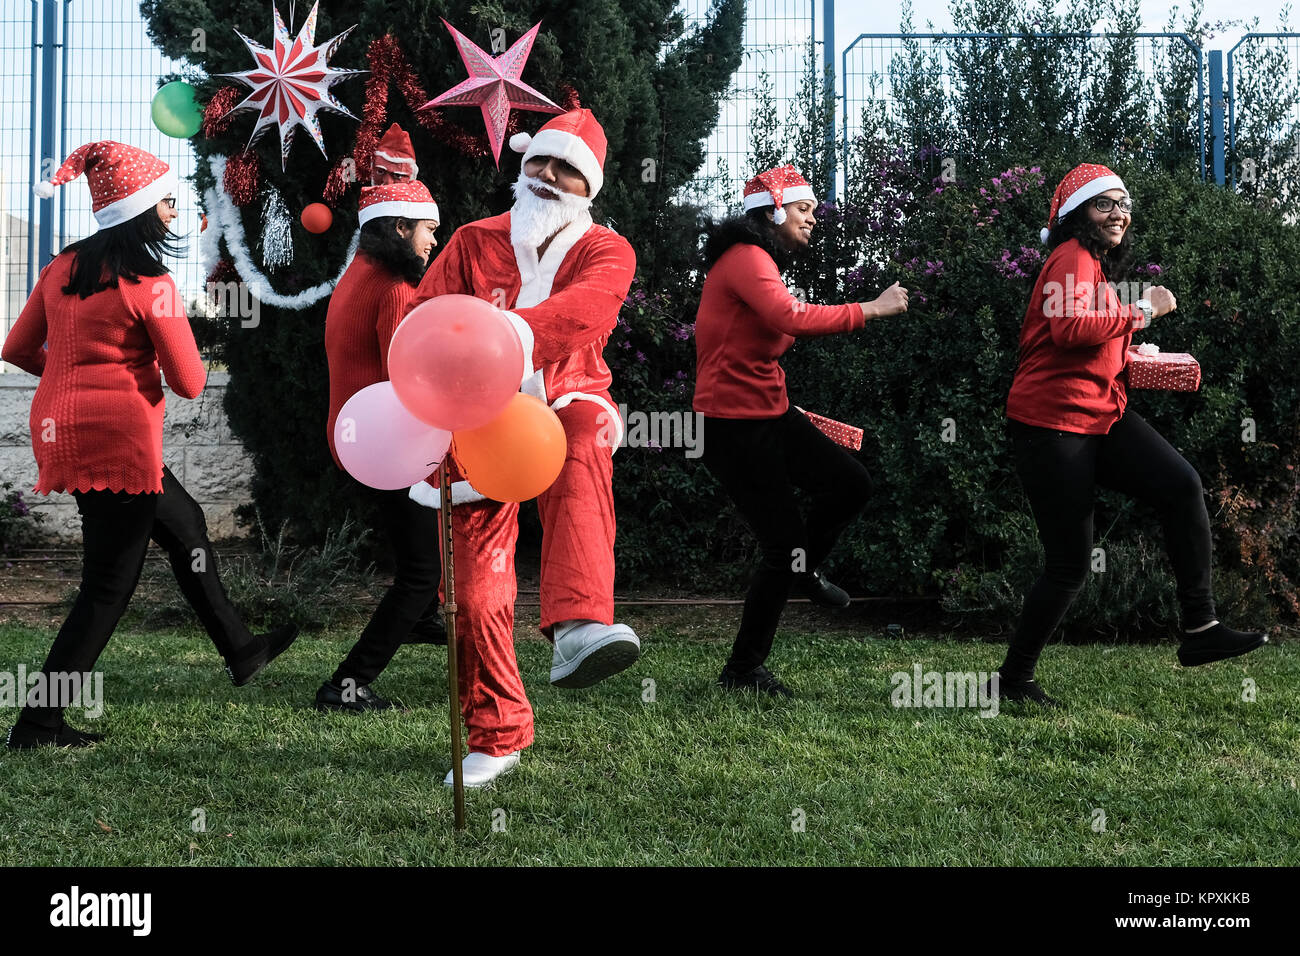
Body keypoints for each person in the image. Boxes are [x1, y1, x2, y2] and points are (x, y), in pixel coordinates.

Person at [2, 142, 298, 749]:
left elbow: (17, 349)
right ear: (137, 211)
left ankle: (241, 650)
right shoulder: (151, 282)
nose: (173, 211)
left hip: (60, 428)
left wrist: (73, 380)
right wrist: (127, 382)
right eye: (165, 202)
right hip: (119, 439)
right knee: (108, 586)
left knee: (184, 522)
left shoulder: (63, 266)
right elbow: (190, 381)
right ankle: (37, 723)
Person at [406, 107, 639, 787]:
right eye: (540, 161)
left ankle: (580, 625)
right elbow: (425, 319)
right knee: (474, 596)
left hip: (567, 401)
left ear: (588, 186)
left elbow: (586, 313)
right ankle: (496, 733)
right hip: (474, 423)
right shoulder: (472, 241)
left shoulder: (606, 249)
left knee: (588, 432)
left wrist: (494, 336)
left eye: (567, 168)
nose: (547, 175)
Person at [995, 162, 1267, 706]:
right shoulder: (1070, 256)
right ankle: (1013, 681)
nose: (1119, 213)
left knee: (1180, 485)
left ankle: (1200, 628)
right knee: (1070, 563)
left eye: (1123, 204)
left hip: (1101, 415)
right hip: (1053, 427)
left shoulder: (1089, 263)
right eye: (1105, 204)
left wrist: (1128, 349)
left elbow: (1088, 332)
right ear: (1078, 215)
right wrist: (1144, 310)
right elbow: (1070, 329)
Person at [693, 164, 909, 697]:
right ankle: (744, 670)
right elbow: (791, 317)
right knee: (781, 542)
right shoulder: (745, 258)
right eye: (804, 209)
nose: (814, 219)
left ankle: (804, 571)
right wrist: (872, 308)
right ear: (772, 210)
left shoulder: (758, 259)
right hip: (731, 426)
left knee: (850, 483)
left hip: (771, 413)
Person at [317, 180, 446, 712]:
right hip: (384, 444)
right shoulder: (393, 287)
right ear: (400, 227)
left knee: (419, 557)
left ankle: (419, 620)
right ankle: (347, 686)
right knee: (422, 573)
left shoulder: (358, 274)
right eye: (429, 230)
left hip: (358, 436)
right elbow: (408, 374)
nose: (434, 241)